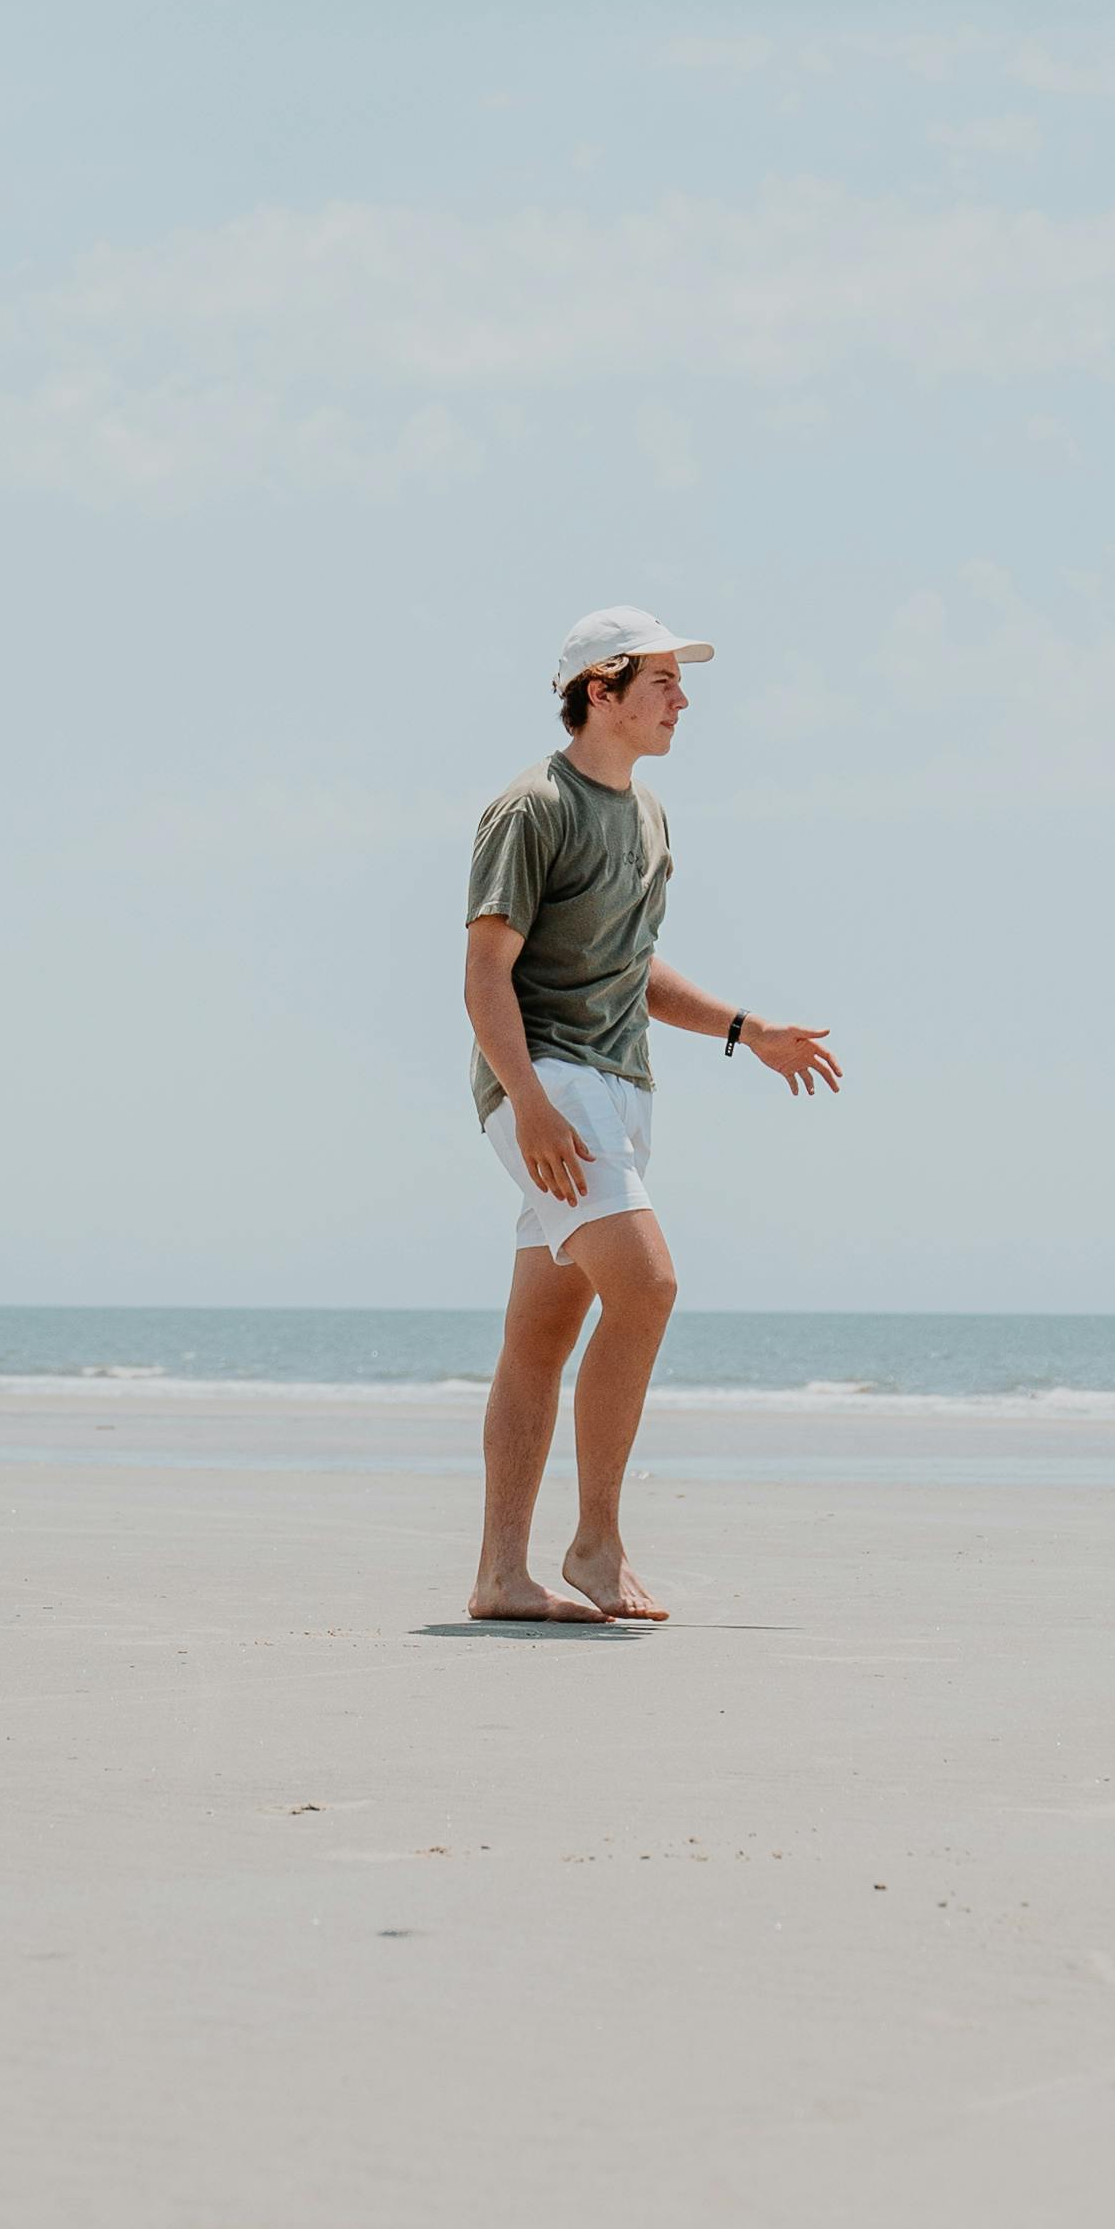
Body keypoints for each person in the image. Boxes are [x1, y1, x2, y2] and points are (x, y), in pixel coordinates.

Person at [463, 606, 839, 1624]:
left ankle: (501, 1573)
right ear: (602, 689)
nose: (684, 698)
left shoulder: (648, 816)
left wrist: (744, 1028)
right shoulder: (532, 806)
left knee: (540, 1337)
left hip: (620, 1090)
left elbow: (632, 973)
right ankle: (595, 1542)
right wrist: (531, 1104)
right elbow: (486, 974)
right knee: (651, 1286)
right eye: (664, 680)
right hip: (553, 1084)